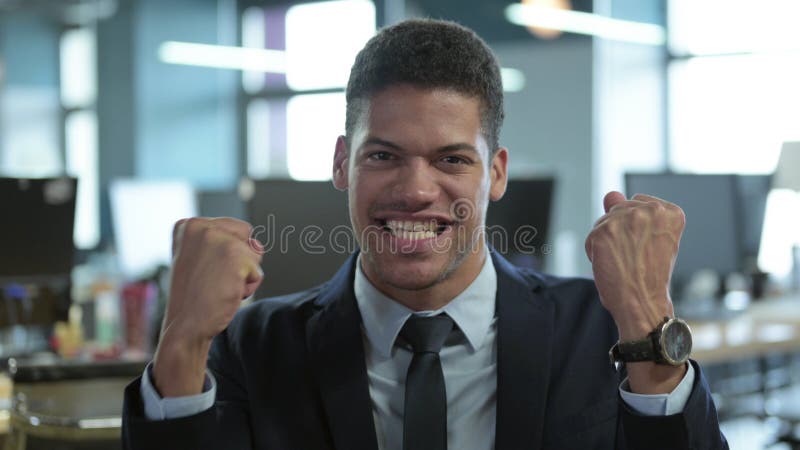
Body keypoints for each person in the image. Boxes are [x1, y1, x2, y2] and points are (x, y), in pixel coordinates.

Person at [122, 19, 728, 450]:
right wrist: (179, 341)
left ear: (495, 173)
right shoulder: (251, 345)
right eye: (383, 156)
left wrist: (649, 319)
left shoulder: (603, 331)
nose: (415, 190)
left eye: (452, 160)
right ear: (341, 164)